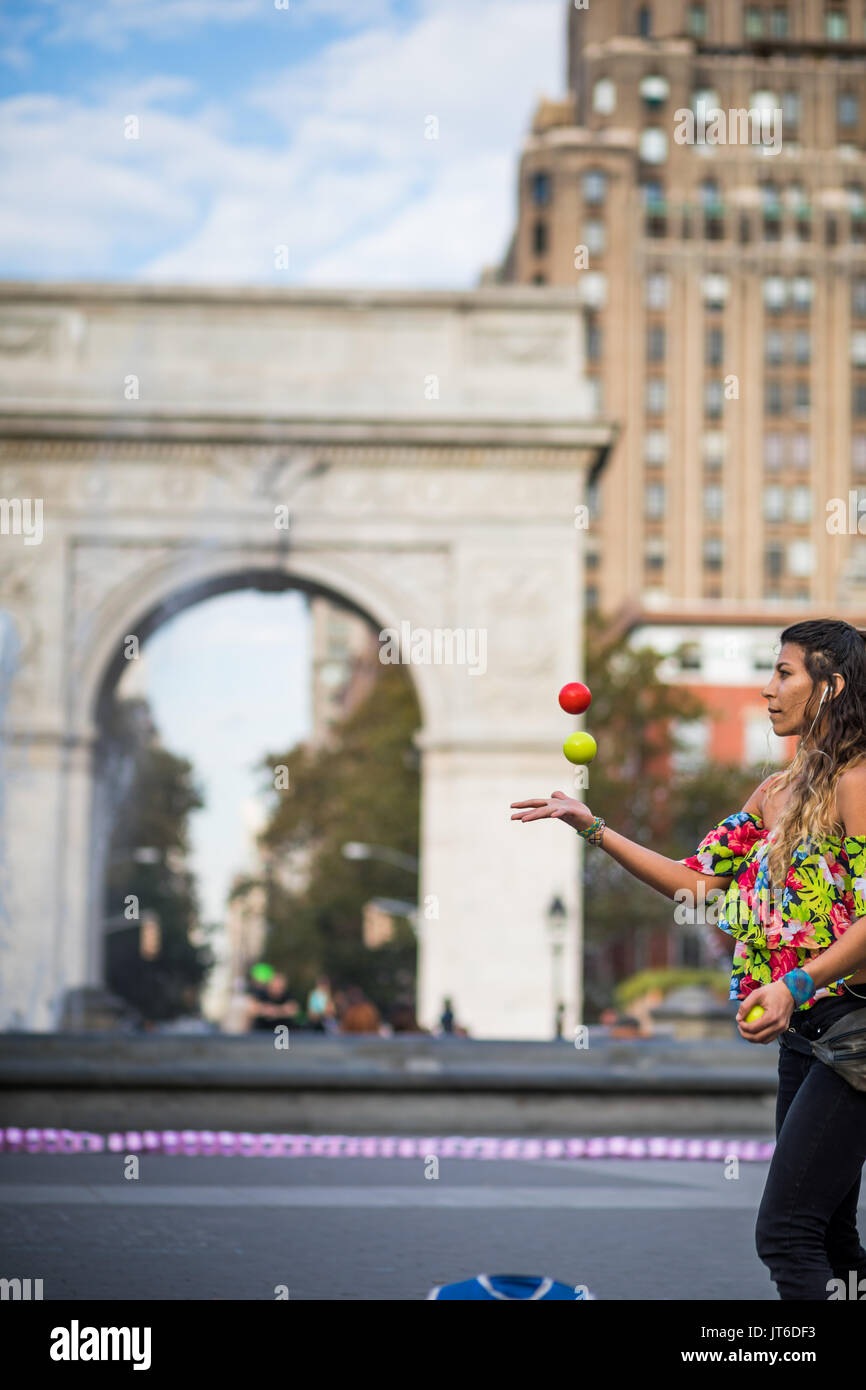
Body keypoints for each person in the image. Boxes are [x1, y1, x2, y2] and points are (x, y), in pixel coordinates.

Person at [511, 619, 866, 1302]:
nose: (767, 690)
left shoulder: (859, 784)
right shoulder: (774, 793)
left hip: (855, 1025)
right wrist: (593, 827)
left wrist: (796, 980)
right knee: (829, 1237)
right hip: (805, 1032)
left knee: (787, 1232)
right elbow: (700, 885)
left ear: (832, 687)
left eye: (785, 673)